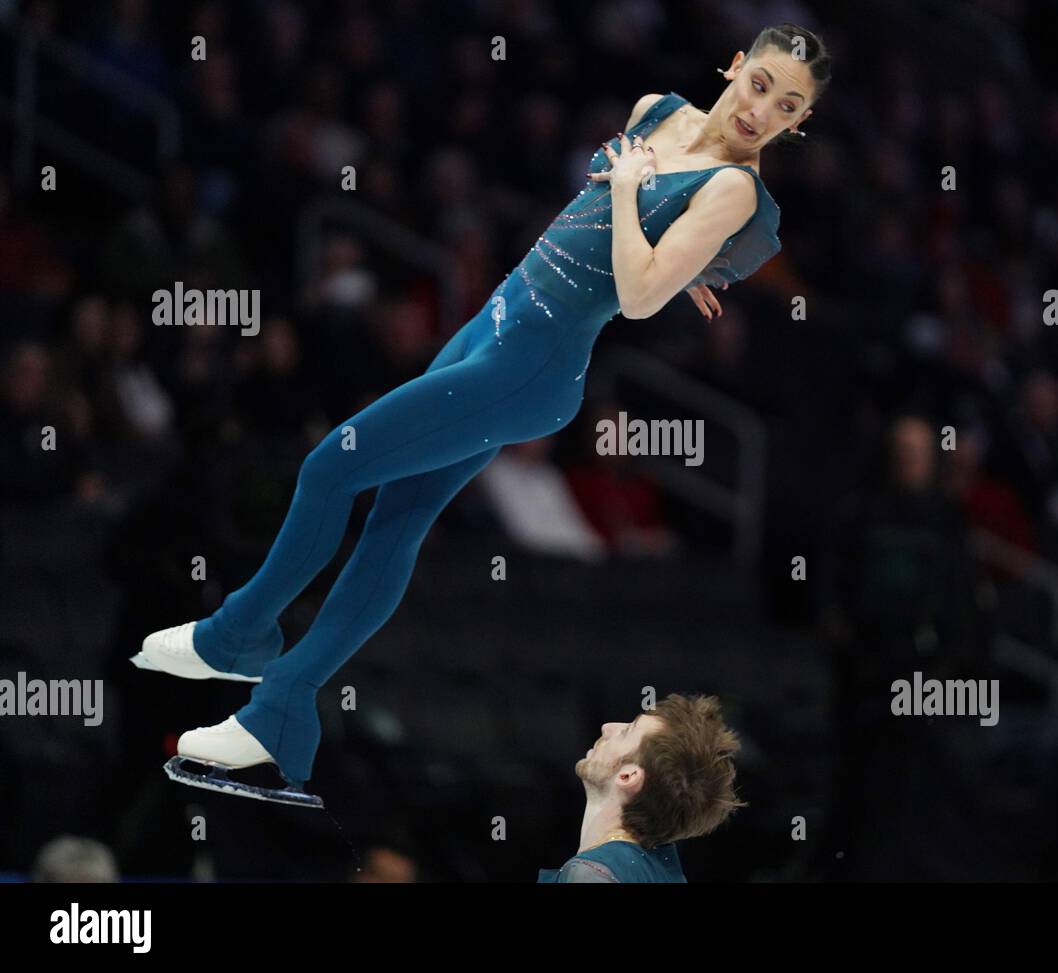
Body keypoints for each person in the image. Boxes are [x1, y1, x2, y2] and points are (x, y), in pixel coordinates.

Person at [135, 24, 832, 805]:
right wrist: (669, 235)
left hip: (530, 366)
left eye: (789, 106)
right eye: (762, 84)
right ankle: (282, 712)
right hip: (494, 320)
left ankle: (240, 635)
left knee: (331, 462)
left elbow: (637, 297)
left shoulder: (735, 189)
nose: (762, 109)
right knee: (398, 513)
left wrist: (641, 196)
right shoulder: (655, 108)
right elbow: (614, 230)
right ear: (736, 67)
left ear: (797, 125)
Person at [538, 694, 744, 883]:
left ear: (628, 776)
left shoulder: (591, 874)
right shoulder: (662, 872)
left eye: (626, 732)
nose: (607, 727)